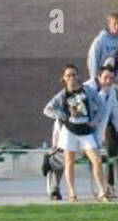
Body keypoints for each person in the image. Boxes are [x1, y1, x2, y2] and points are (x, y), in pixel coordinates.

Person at [43, 65, 109, 202]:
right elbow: (47, 109)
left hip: (86, 131)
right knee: (69, 162)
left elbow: (102, 106)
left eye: (74, 74)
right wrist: (61, 115)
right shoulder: (63, 94)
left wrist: (95, 121)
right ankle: (72, 193)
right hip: (69, 131)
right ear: (63, 78)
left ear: (78, 76)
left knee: (96, 160)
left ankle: (102, 191)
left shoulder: (88, 91)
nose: (72, 78)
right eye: (68, 75)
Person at [85, 62, 118, 196]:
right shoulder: (88, 88)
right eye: (105, 78)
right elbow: (94, 109)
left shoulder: (111, 91)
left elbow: (115, 112)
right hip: (82, 132)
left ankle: (105, 189)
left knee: (98, 160)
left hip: (95, 134)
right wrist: (103, 93)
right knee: (63, 160)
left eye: (111, 78)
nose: (108, 81)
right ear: (98, 77)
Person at [87, 11, 118, 80]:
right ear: (109, 24)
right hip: (104, 75)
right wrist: (94, 78)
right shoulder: (100, 40)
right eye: (115, 24)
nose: (117, 26)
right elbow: (93, 59)